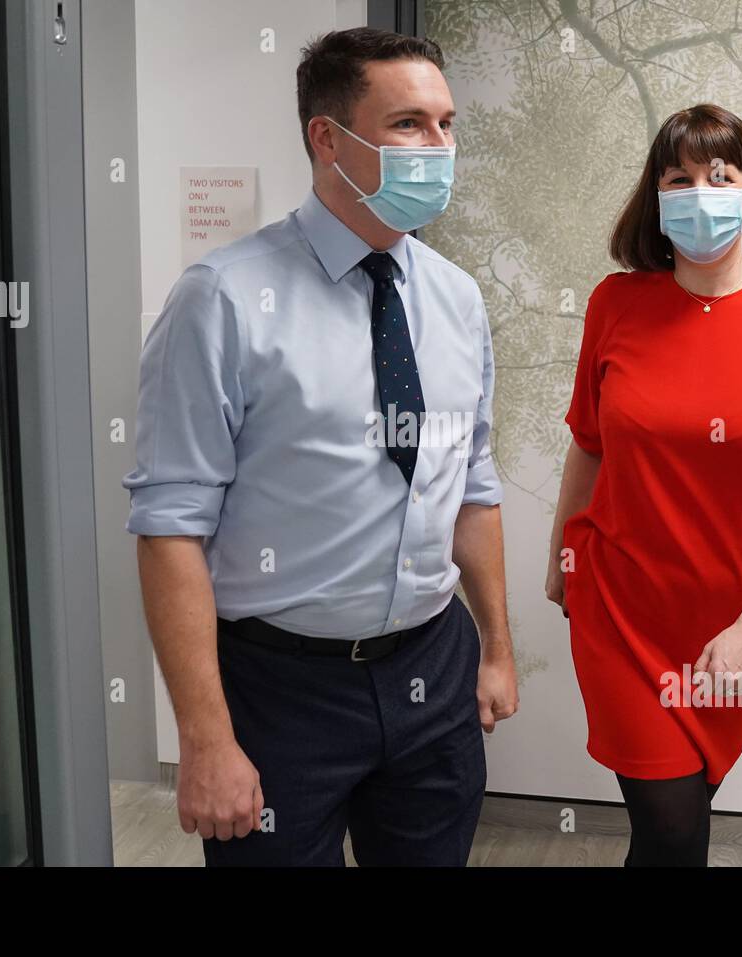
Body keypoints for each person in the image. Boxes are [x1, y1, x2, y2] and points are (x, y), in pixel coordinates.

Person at [123, 26, 519, 867]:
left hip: (433, 668)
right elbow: (169, 526)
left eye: (447, 124)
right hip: (280, 689)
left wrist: (495, 646)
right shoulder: (223, 300)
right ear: (327, 138)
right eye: (408, 124)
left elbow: (473, 486)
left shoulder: (456, 299)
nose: (438, 147)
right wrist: (204, 739)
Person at [545, 103, 742, 867]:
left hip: (734, 623)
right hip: (620, 609)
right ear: (656, 198)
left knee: (679, 823)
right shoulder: (615, 303)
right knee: (672, 829)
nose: (698, 193)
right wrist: (562, 560)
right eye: (677, 180)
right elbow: (588, 444)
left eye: (718, 176)